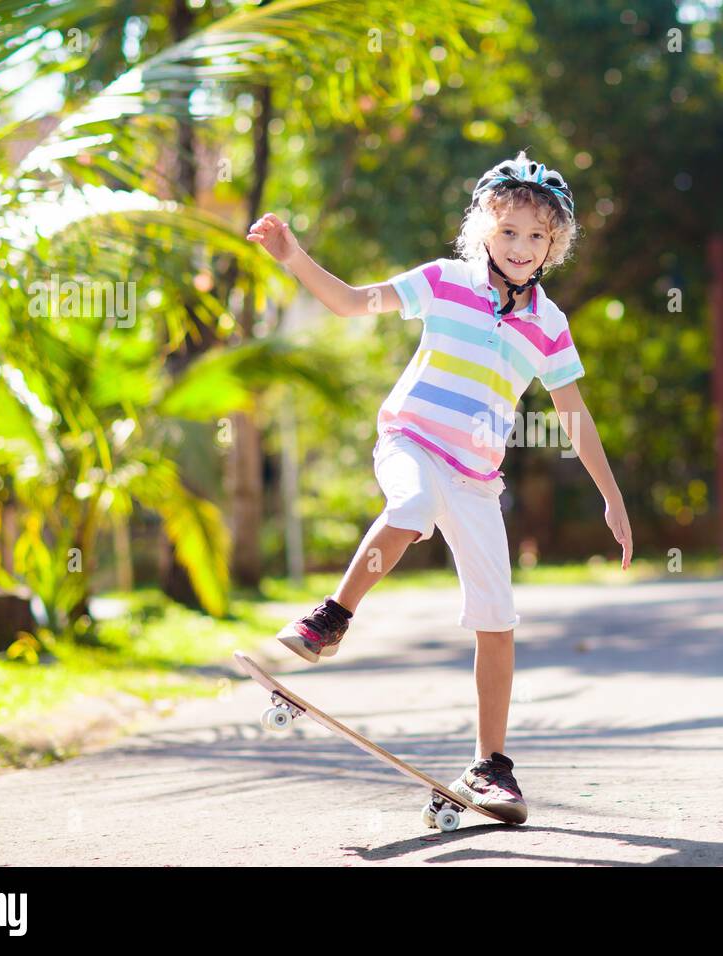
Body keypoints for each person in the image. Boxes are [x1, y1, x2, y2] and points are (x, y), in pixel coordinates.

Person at [245, 150, 633, 827]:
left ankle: (491, 766)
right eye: (508, 231)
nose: (520, 246)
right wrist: (293, 257)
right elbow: (348, 303)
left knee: (498, 621)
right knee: (412, 504)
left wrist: (612, 495)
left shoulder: (549, 325)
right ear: (485, 228)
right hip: (411, 445)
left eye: (536, 236)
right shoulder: (443, 281)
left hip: (478, 480)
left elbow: (575, 414)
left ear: (554, 246)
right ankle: (332, 617)